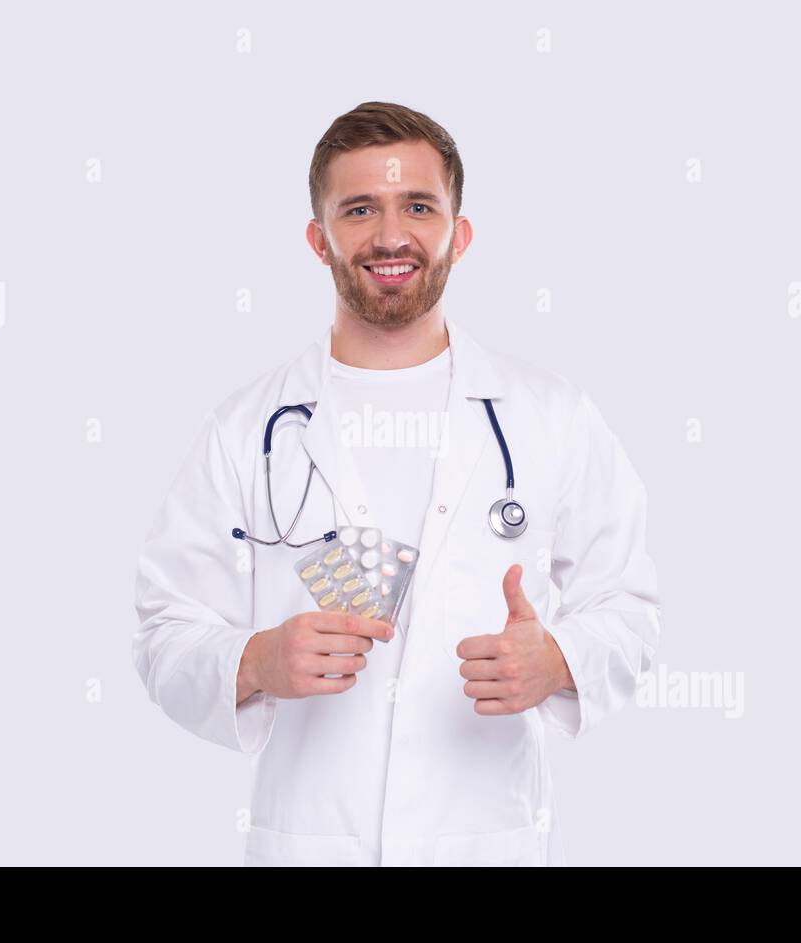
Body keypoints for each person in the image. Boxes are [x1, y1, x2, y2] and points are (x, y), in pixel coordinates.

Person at [133, 101, 660, 866]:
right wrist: (253, 662)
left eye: (418, 205)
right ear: (319, 241)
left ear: (460, 232)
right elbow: (162, 630)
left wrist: (560, 660)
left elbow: (630, 608)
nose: (389, 236)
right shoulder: (246, 428)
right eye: (358, 209)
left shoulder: (552, 417)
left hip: (484, 842)